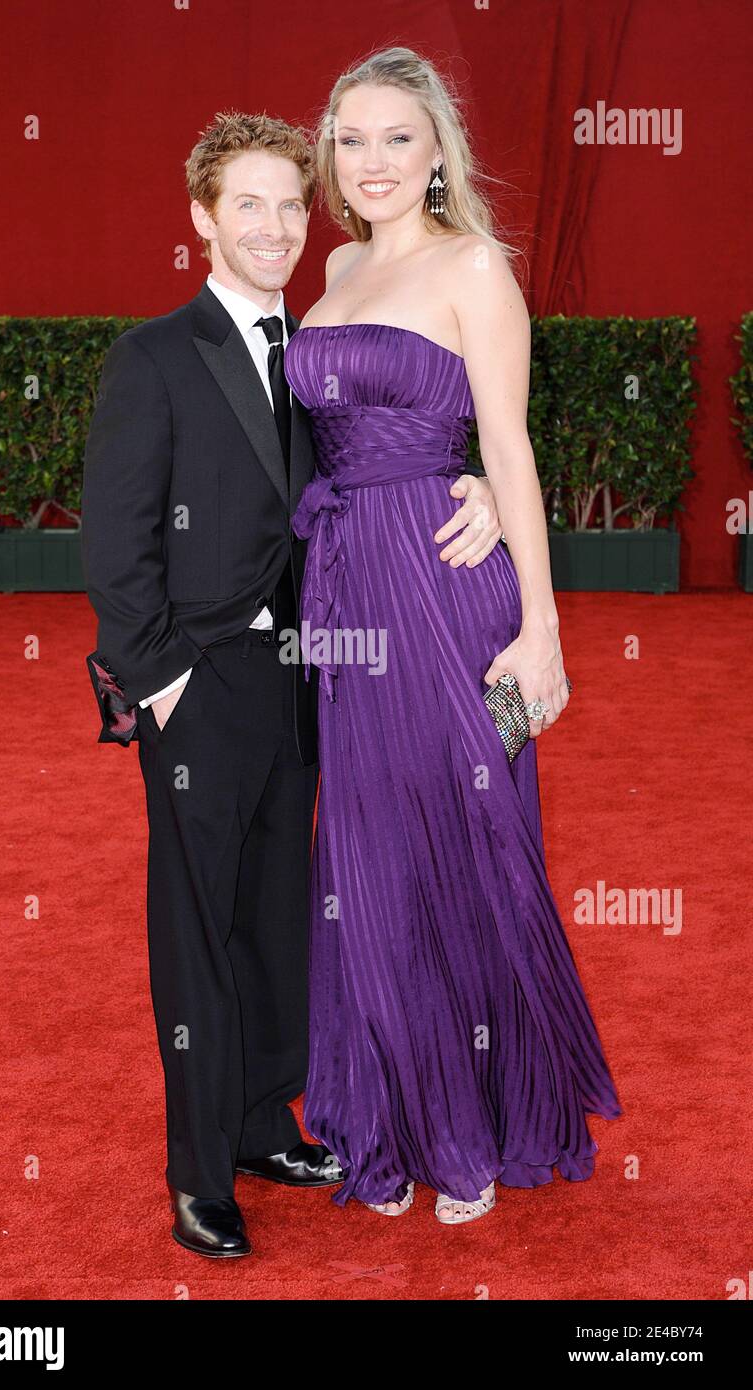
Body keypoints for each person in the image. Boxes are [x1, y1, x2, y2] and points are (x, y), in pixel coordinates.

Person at [80, 110, 503, 1256]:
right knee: (199, 926)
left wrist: (485, 490)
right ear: (203, 222)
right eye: (246, 206)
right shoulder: (156, 355)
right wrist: (158, 680)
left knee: (281, 912)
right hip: (199, 685)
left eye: (286, 203)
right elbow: (113, 545)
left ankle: (269, 1120)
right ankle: (200, 1166)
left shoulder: (316, 343)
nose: (273, 226)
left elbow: (391, 458)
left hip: (312, 672)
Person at [286, 47, 623, 1224]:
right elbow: (315, 447)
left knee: (459, 846)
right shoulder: (326, 268)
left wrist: (543, 629)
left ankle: (474, 1124)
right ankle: (387, 1119)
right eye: (351, 137)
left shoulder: (475, 263)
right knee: (365, 860)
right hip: (342, 607)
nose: (370, 160)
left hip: (441, 588)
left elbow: (512, 446)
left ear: (439, 155)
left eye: (396, 138)